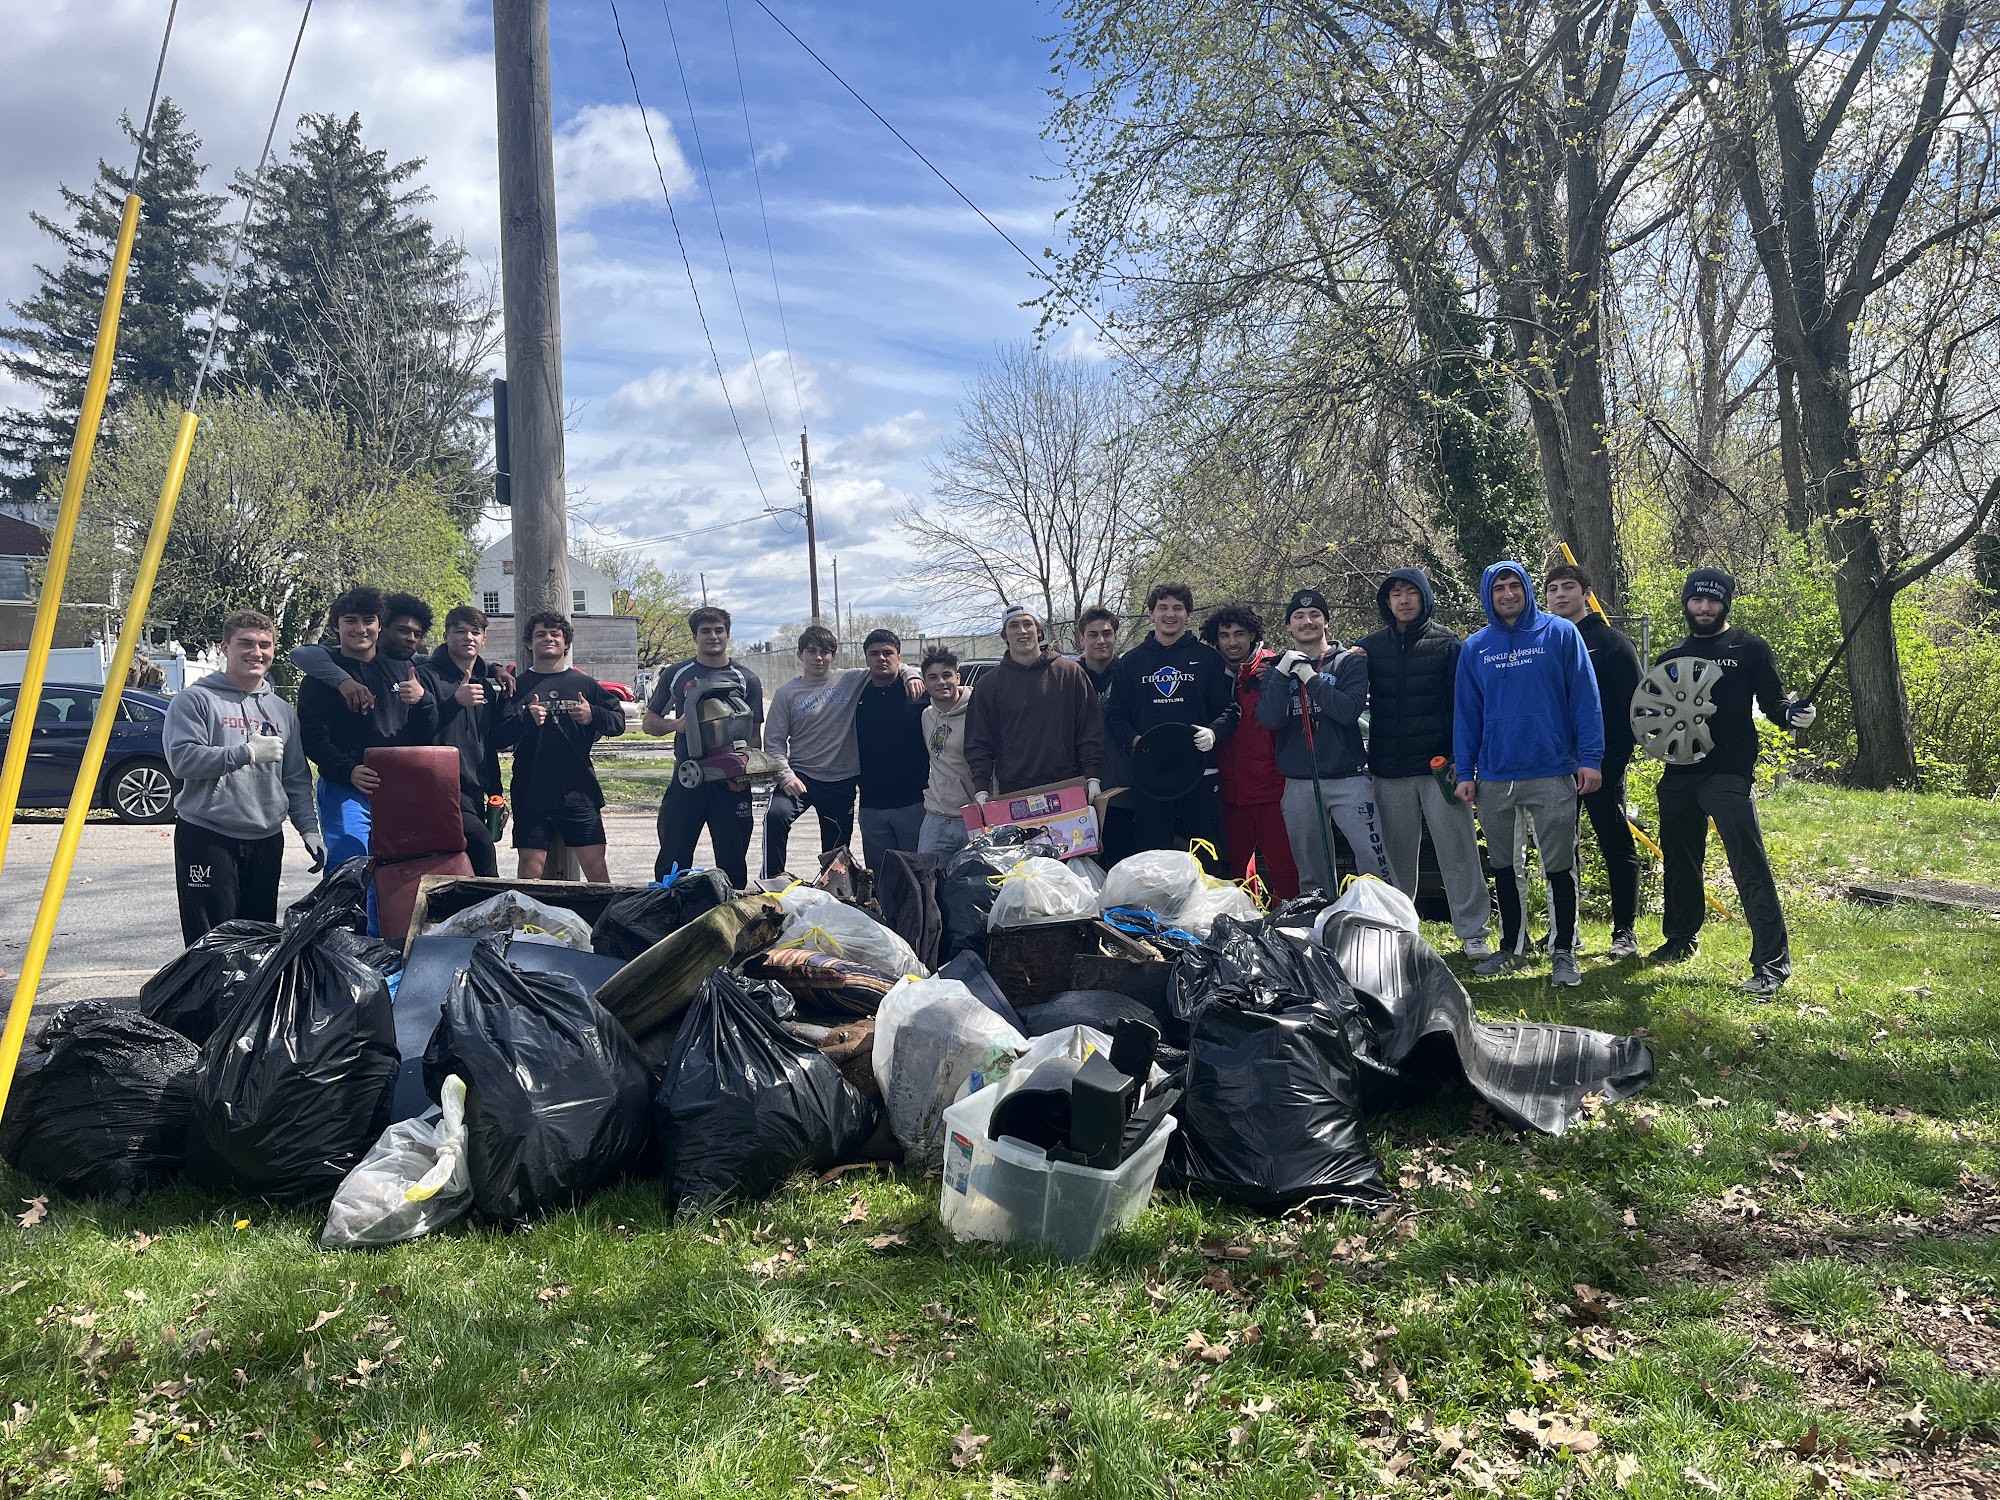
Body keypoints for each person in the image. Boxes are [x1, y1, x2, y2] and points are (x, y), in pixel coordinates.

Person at [1652, 567, 1815, 996]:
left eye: (1713, 600)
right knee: (1680, 861)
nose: (1704, 607)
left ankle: (1772, 963)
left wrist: (1793, 715)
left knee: (1748, 864)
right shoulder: (1671, 657)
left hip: (1729, 772)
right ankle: (1680, 940)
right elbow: (1653, 715)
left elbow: (1774, 701)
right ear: (1686, 603)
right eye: (1696, 600)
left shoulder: (1749, 649)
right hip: (1679, 773)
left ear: (1726, 602)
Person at [1453, 562, 1603, 986]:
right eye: (1498, 587)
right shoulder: (1476, 647)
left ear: (1527, 589)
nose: (1506, 594)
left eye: (1514, 585)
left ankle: (1563, 950)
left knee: (1558, 866)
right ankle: (1513, 948)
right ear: (1488, 594)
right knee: (1503, 865)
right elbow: (1467, 715)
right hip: (1496, 774)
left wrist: (1590, 758)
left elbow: (1585, 701)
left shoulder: (1559, 634)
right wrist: (1466, 771)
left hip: (1553, 769)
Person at [163, 609, 323, 943]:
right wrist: (244, 753)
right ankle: (211, 997)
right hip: (207, 835)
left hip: (265, 837)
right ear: (224, 647)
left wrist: (309, 829)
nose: (257, 652)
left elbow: (294, 777)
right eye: (245, 643)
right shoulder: (196, 700)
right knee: (211, 939)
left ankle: (249, 998)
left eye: (265, 644)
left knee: (259, 937)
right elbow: (182, 760)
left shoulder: (281, 710)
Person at [1358, 567, 1494, 959]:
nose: (1403, 600)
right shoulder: (1369, 648)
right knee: (1396, 860)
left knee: (1459, 852)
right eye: (1395, 594)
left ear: (1424, 597)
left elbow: (1464, 707)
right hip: (1388, 770)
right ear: (1387, 603)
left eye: (1410, 593)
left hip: (1440, 770)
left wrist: (1460, 761)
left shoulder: (1448, 643)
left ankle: (1473, 933)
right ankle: (1400, 933)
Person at [1257, 588, 1393, 891]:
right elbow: (1269, 719)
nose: (1307, 621)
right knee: (1312, 875)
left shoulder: (1349, 663)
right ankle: (1319, 930)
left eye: (1315, 614)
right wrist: (1281, 675)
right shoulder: (1277, 670)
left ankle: (1387, 924)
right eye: (1299, 616)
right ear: (1289, 626)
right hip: (1299, 782)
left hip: (1349, 779)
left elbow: (1346, 711)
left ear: (1326, 622)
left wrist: (1310, 677)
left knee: (1373, 861)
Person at [297, 585, 437, 872]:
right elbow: (312, 738)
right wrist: (348, 770)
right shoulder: (321, 676)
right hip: (345, 787)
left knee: (396, 870)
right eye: (350, 621)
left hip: (398, 788)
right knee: (350, 865)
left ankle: (380, 921)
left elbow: (427, 732)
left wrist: (423, 702)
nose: (360, 628)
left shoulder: (404, 669)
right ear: (336, 627)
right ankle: (345, 919)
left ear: (379, 625)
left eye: (368, 620)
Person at [760, 625, 920, 877]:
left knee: (836, 854)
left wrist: (911, 675)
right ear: (800, 654)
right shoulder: (786, 694)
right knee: (775, 817)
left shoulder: (850, 679)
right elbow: (774, 742)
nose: (818, 657)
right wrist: (786, 776)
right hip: (801, 776)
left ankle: (834, 895)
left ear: (834, 655)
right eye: (811, 651)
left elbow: (891, 664)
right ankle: (771, 881)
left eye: (825, 651)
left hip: (840, 782)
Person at [1544, 563, 1644, 959]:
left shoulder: (1613, 644)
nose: (1560, 595)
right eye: (1552, 589)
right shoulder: (1543, 643)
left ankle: (1625, 933)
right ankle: (1564, 931)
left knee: (1614, 841)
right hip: (1553, 765)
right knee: (1558, 850)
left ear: (1587, 593)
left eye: (1569, 587)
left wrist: (1610, 763)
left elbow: (1635, 709)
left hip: (1602, 765)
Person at [1104, 583, 1237, 870]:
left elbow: (1230, 708)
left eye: (1178, 607)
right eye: (1162, 607)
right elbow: (1115, 714)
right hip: (1151, 773)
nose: (1170, 614)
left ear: (1187, 614)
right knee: (1154, 853)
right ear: (1151, 614)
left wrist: (1214, 732)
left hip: (1201, 770)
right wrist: (1133, 740)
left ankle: (1213, 907)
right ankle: (1158, 911)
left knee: (1209, 849)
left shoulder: (1208, 658)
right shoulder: (1132, 662)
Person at [495, 611, 625, 882]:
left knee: (597, 872)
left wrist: (594, 715)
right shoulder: (516, 686)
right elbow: (497, 737)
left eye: (555, 634)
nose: (548, 638)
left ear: (566, 643)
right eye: (540, 634)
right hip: (531, 789)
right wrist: (525, 720)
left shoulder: (585, 684)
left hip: (579, 789)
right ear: (529, 643)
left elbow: (618, 722)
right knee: (530, 872)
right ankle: (526, 924)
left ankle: (601, 923)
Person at [643, 605, 764, 888]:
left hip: (731, 784)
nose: (713, 636)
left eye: (719, 630)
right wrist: (677, 725)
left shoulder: (747, 678)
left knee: (733, 862)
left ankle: (733, 923)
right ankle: (668, 915)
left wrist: (743, 776)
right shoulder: (677, 673)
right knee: (672, 860)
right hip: (689, 779)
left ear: (728, 635)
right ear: (695, 637)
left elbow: (755, 737)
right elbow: (650, 722)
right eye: (705, 631)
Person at [1201, 603, 1298, 901]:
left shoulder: (1275, 669)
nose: (1233, 642)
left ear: (1253, 635)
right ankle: (1246, 926)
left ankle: (1291, 926)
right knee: (1236, 872)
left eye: (1240, 634)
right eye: (1225, 635)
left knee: (1284, 867)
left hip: (1272, 789)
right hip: (1229, 793)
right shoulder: (1210, 673)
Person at [964, 603, 1104, 807]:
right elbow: (978, 742)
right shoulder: (988, 685)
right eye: (1013, 626)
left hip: (1067, 788)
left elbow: (1089, 729)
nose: (1021, 631)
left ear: (1038, 631)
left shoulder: (1069, 673)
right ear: (1005, 635)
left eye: (1027, 624)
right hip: (1013, 794)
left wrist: (1093, 777)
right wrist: (981, 788)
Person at [415, 603, 512, 878]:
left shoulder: (487, 686)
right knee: (481, 846)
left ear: (484, 639)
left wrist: (497, 793)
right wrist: (454, 702)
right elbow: (420, 731)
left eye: (475, 632)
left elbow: (487, 745)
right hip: (436, 786)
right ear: (446, 636)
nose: (468, 637)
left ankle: (469, 915)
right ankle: (493, 912)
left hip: (475, 789)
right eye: (460, 631)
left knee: (468, 858)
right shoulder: (426, 677)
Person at [854, 629, 931, 869]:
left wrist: (911, 675)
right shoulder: (856, 694)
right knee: (881, 878)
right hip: (871, 806)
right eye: (874, 653)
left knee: (918, 875)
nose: (881, 658)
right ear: (866, 659)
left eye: (888, 653)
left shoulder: (919, 694)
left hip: (914, 803)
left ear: (899, 657)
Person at [1074, 605, 1136, 865]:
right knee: (1082, 868)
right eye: (1093, 634)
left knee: (1121, 864)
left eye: (1107, 633)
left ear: (1115, 637)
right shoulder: (1067, 677)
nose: (1101, 640)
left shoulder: (1130, 673)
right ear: (1081, 638)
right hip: (1078, 788)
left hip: (1123, 787)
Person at [917, 646, 977, 857]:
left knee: (978, 885)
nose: (940, 682)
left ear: (957, 677)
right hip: (936, 816)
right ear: (925, 683)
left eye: (946, 675)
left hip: (974, 816)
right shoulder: (927, 715)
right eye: (932, 677)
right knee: (929, 882)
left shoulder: (978, 710)